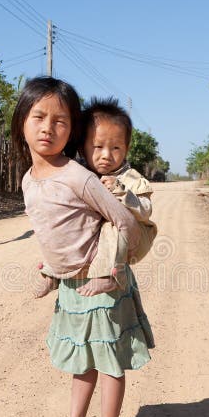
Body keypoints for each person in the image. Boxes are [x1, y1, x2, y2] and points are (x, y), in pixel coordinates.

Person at [13, 76, 155, 417]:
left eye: (60, 121)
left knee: (109, 360)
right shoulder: (29, 179)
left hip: (105, 284)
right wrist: (53, 269)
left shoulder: (80, 177)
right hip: (73, 288)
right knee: (82, 361)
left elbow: (123, 221)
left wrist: (112, 268)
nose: (47, 127)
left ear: (70, 129)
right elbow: (53, 232)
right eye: (39, 116)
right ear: (21, 121)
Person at [34, 97, 158, 298]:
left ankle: (108, 275)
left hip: (132, 237)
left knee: (110, 226)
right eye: (98, 147)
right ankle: (53, 271)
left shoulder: (130, 178)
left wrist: (121, 191)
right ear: (83, 148)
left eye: (116, 148)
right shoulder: (82, 176)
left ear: (126, 149)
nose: (106, 155)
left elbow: (145, 210)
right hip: (99, 241)